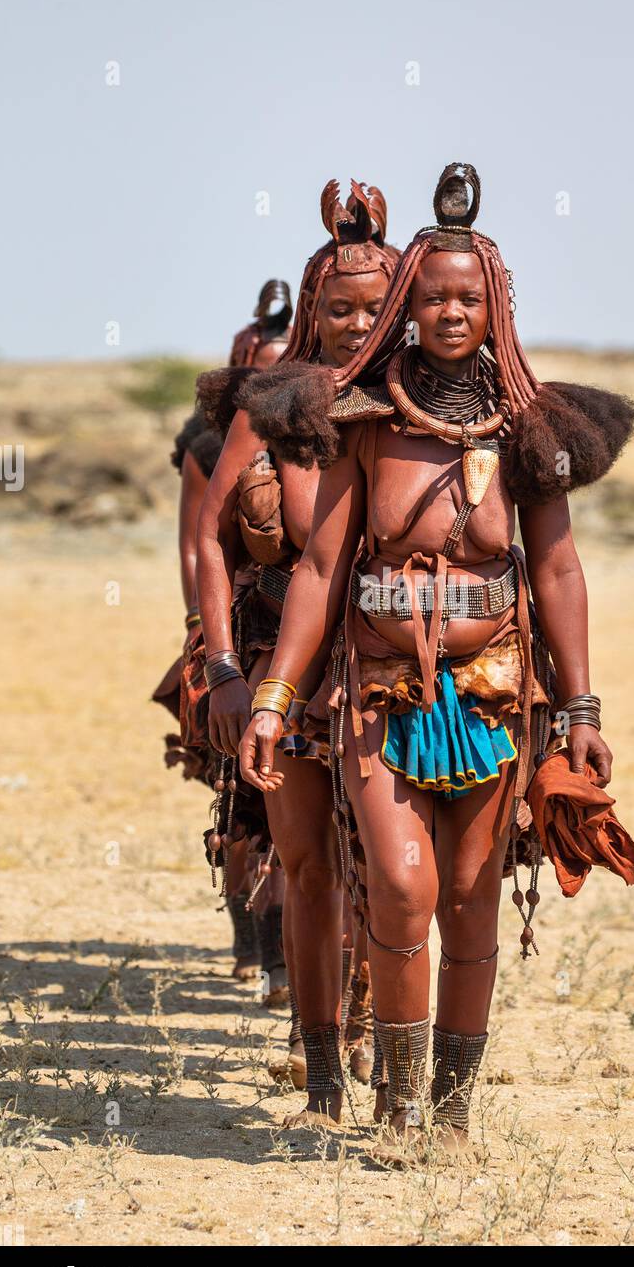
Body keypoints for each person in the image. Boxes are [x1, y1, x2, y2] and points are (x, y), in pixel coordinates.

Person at [237, 162, 634, 1153]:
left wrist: (580, 714)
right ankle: (398, 1107)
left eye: (470, 296)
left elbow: (556, 572)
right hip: (378, 690)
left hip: (497, 697)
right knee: (404, 885)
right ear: (406, 305)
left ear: (495, 303)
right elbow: (323, 567)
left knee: (468, 896)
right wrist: (273, 699)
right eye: (434, 295)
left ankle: (449, 1118)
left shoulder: (532, 432)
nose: (451, 311)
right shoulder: (362, 427)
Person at [195, 181, 399, 1103]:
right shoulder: (271, 406)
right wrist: (226, 666)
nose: (358, 324)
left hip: (394, 664)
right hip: (281, 654)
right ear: (313, 309)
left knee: (390, 867)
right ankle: (320, 1062)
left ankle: (382, 1034)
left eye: (373, 305)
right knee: (311, 863)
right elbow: (208, 539)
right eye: (339, 307)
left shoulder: (418, 401)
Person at [152, 279, 292, 985]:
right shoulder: (211, 443)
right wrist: (205, 637)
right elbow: (194, 543)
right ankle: (257, 947)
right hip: (236, 620)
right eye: (262, 367)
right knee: (238, 790)